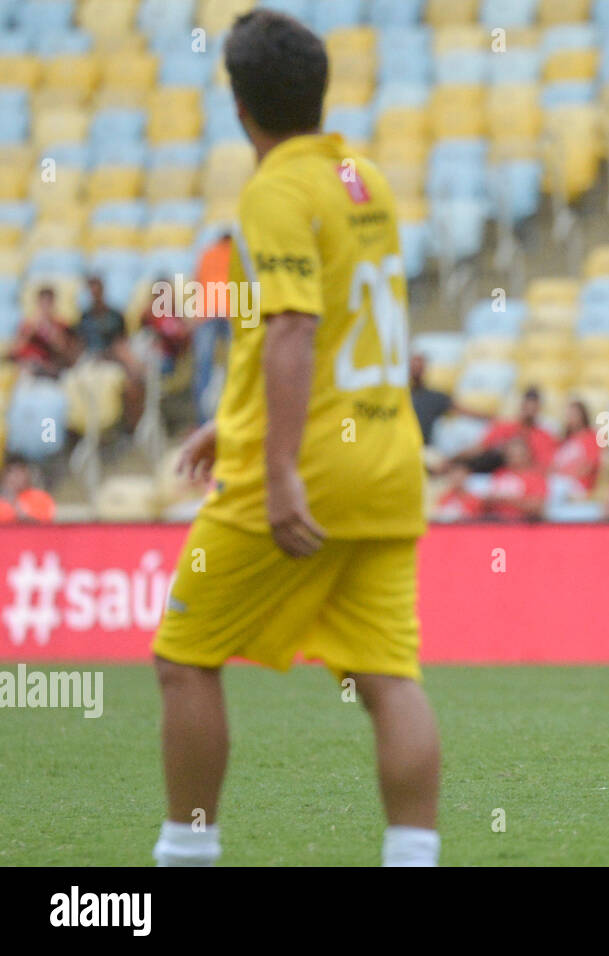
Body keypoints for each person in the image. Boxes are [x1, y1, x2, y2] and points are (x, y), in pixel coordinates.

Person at [150, 10, 441, 868]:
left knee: (184, 657)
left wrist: (274, 469)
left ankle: (184, 857)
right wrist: (228, 418)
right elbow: (336, 323)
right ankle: (413, 859)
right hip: (387, 466)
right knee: (388, 677)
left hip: (305, 468)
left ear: (238, 104)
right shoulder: (366, 179)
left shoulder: (274, 190)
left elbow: (291, 327)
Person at [192, 232, 233, 424]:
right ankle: (234, 417)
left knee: (203, 367)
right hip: (231, 311)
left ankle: (203, 422)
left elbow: (197, 283)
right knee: (238, 365)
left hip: (207, 312)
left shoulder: (206, 253)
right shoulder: (238, 253)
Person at [9, 287, 76, 378]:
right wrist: (30, 331)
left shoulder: (60, 324)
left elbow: (65, 351)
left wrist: (50, 332)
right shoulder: (27, 324)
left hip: (50, 368)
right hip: (29, 366)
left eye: (48, 303)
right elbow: (14, 351)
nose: (45, 307)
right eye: (43, 303)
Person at [481, 434, 547, 521]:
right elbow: (485, 503)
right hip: (497, 523)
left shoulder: (535, 477)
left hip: (523, 524)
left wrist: (506, 500)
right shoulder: (500, 474)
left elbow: (537, 507)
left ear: (527, 455)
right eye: (511, 454)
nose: (514, 458)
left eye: (518, 455)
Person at [549, 399, 601, 497]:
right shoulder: (564, 440)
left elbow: (589, 466)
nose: (571, 418)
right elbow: (553, 465)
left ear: (583, 415)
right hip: (559, 480)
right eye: (569, 415)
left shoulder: (591, 437)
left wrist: (566, 474)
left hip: (578, 484)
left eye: (574, 414)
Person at [76, 276, 127, 360]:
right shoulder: (84, 318)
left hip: (112, 357)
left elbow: (122, 340)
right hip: (90, 357)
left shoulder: (115, 316)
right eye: (92, 293)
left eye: (97, 292)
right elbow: (80, 342)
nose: (95, 296)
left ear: (102, 291)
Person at [0, 457, 56, 524]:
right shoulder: (2, 499)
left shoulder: (41, 498)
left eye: (19, 473)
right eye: (11, 473)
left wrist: (15, 504)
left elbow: (44, 524)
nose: (15, 478)